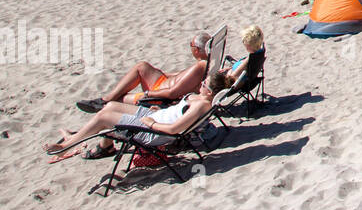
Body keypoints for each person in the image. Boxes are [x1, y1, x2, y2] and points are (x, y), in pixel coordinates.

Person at [49, 69, 235, 161]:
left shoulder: (201, 105)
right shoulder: (201, 100)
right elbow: (175, 115)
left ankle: (66, 147)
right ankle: (76, 139)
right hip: (157, 115)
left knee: (103, 118)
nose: (201, 84)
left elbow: (174, 129)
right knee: (111, 105)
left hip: (153, 130)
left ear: (210, 92)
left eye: (204, 84)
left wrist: (151, 123)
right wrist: (158, 113)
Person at [75, 32, 215, 113]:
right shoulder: (208, 63)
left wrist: (147, 94)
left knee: (118, 101)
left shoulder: (200, 67)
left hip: (160, 94)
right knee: (142, 66)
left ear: (196, 50)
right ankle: (106, 100)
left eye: (190, 45)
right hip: (162, 83)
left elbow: (172, 93)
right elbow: (184, 78)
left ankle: (105, 107)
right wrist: (163, 74)